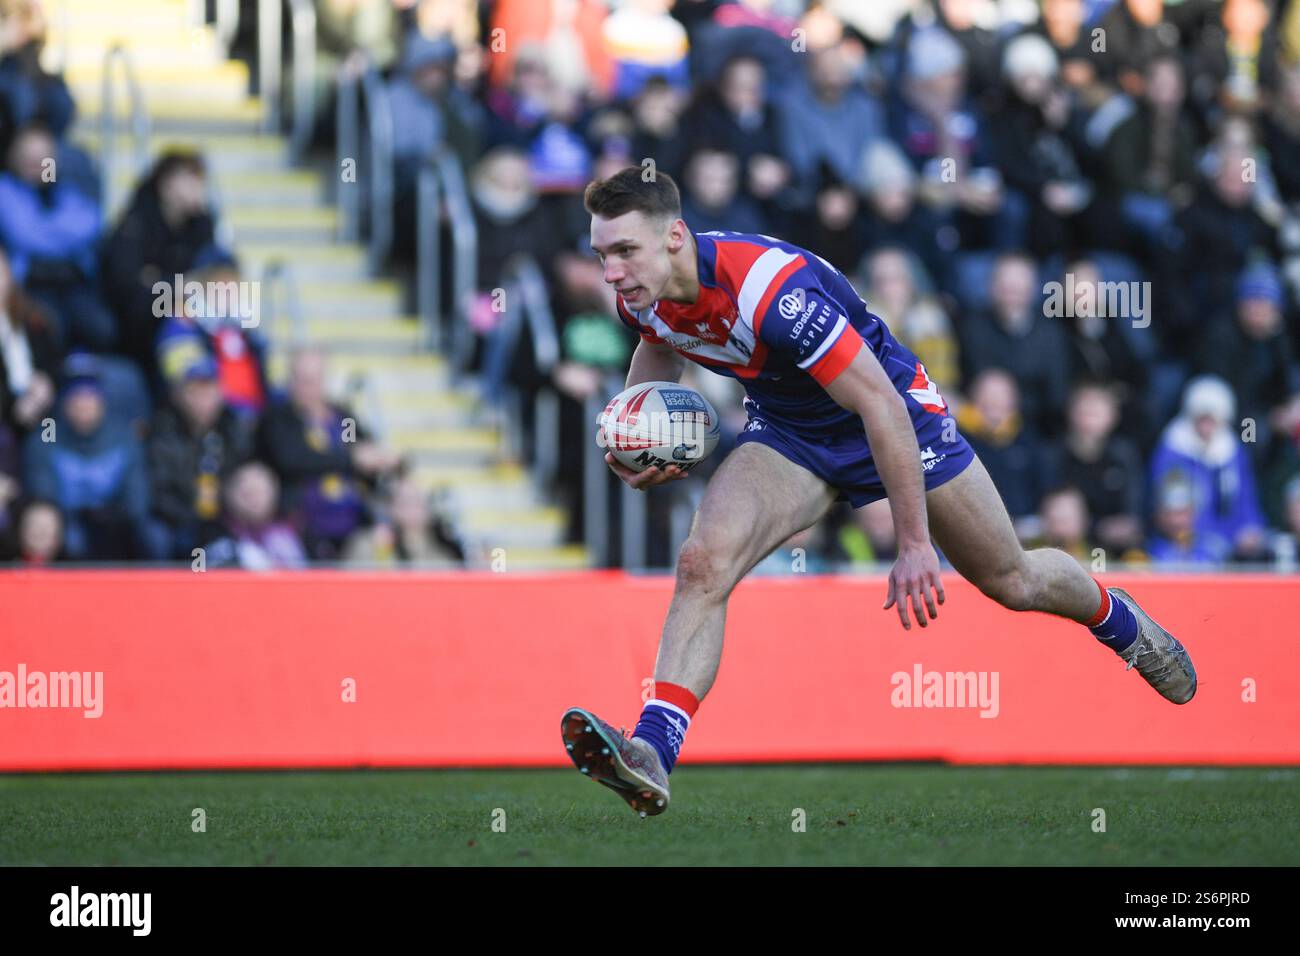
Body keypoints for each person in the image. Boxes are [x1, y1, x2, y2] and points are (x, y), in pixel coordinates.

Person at [561, 167, 1197, 819]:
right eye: (602, 255)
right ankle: (652, 750)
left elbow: (881, 407)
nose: (611, 272)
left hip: (895, 417)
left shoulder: (770, 294)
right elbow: (659, 346)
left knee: (1014, 581)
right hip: (792, 432)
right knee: (702, 562)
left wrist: (916, 541)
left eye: (624, 251)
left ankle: (1117, 620)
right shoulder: (642, 293)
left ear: (674, 236)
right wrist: (635, 431)